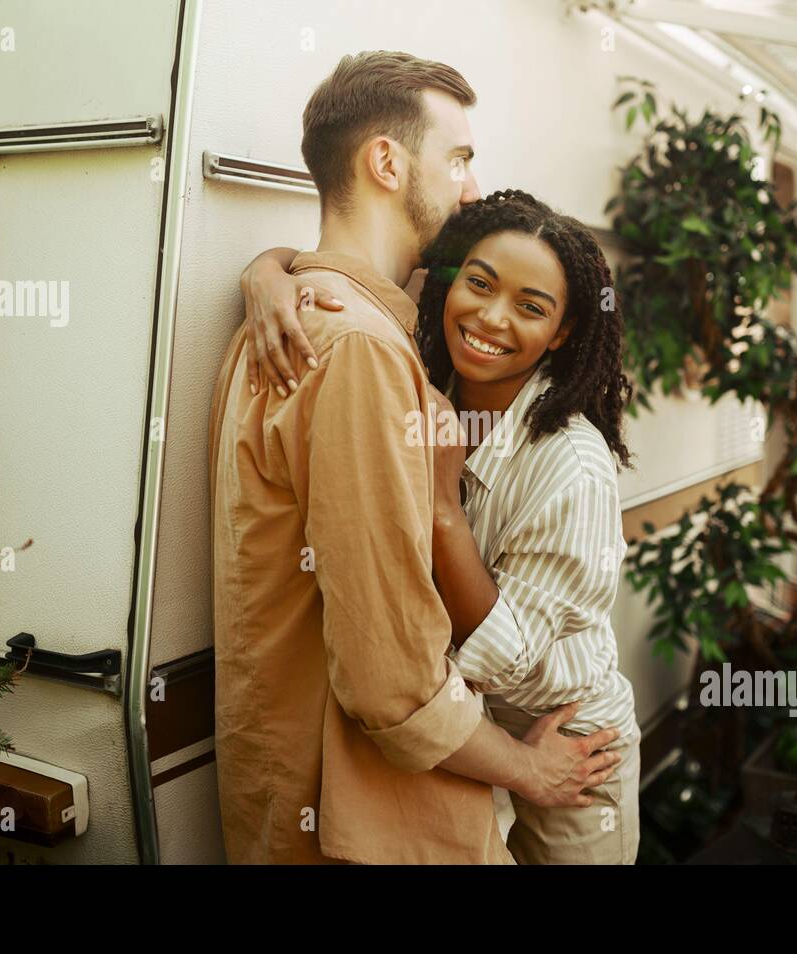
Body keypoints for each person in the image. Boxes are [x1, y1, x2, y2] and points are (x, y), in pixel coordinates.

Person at [210, 51, 623, 865]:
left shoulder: (296, 316)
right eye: (459, 158)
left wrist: (269, 267)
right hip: (362, 818)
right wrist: (528, 770)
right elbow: (390, 678)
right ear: (387, 162)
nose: (471, 187)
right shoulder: (357, 346)